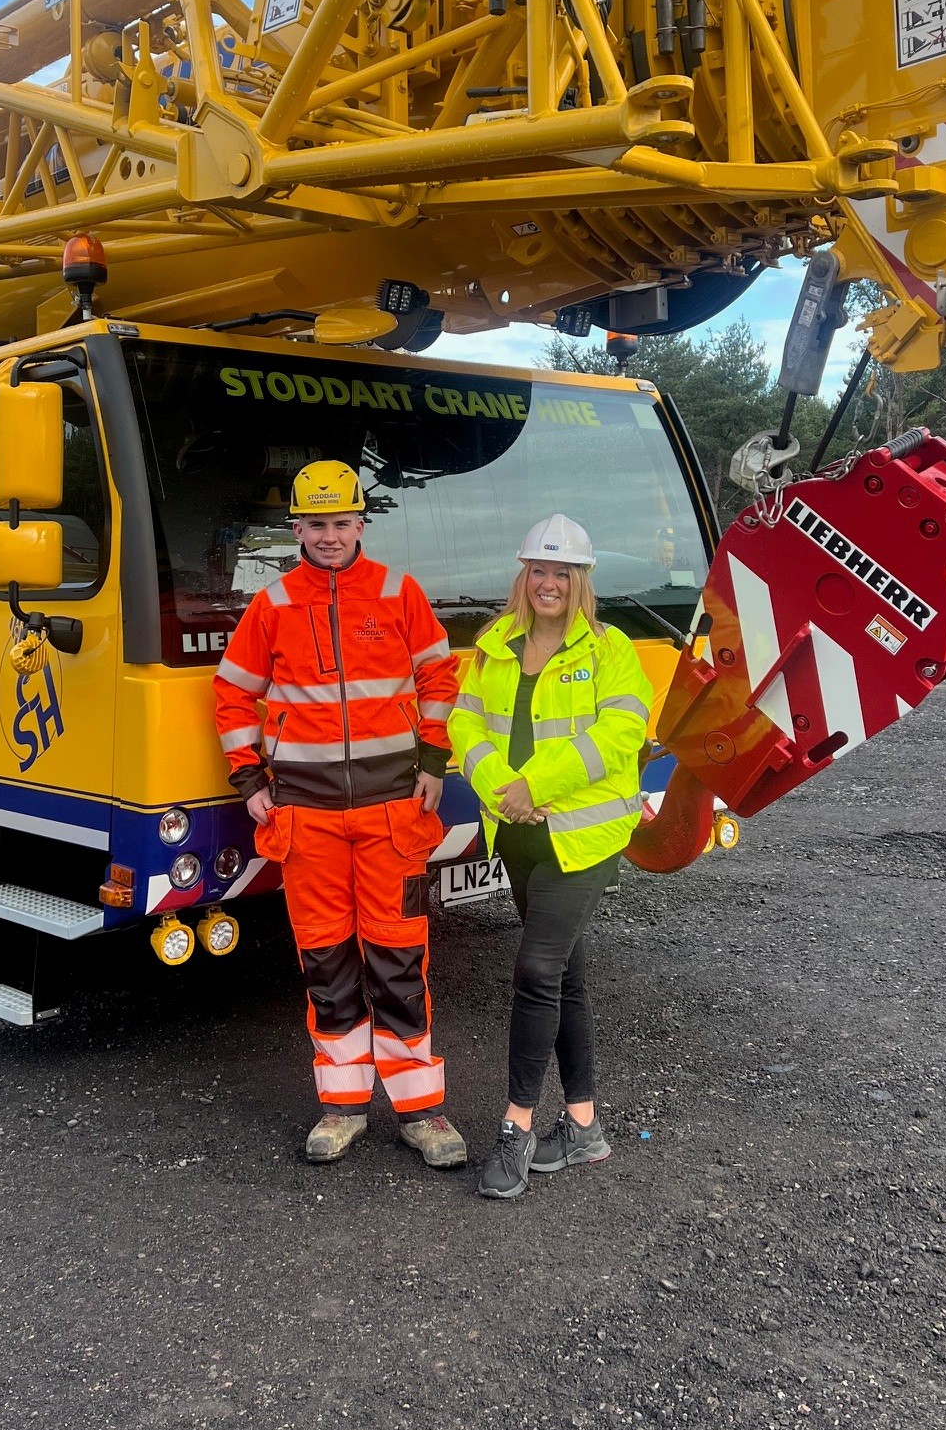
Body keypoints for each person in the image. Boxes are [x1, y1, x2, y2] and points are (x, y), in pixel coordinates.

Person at [212, 459, 467, 1169]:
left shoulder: (397, 591)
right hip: (308, 817)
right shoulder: (273, 606)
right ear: (297, 528)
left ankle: (423, 1114)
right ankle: (343, 1108)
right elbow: (232, 695)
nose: (329, 536)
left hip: (391, 813)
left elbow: (439, 675)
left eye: (341, 523)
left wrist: (433, 760)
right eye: (316, 524)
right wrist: (247, 779)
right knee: (326, 963)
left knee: (397, 960)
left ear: (362, 523)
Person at [448, 514, 652, 1199]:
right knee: (564, 976)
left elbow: (621, 733)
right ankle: (585, 1127)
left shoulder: (609, 649)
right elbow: (464, 721)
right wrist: (499, 789)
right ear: (523, 575)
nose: (549, 583)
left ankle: (517, 1126)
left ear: (580, 581)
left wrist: (538, 783)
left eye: (563, 572)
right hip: (519, 835)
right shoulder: (495, 646)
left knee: (536, 969)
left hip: (584, 838)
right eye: (540, 569)